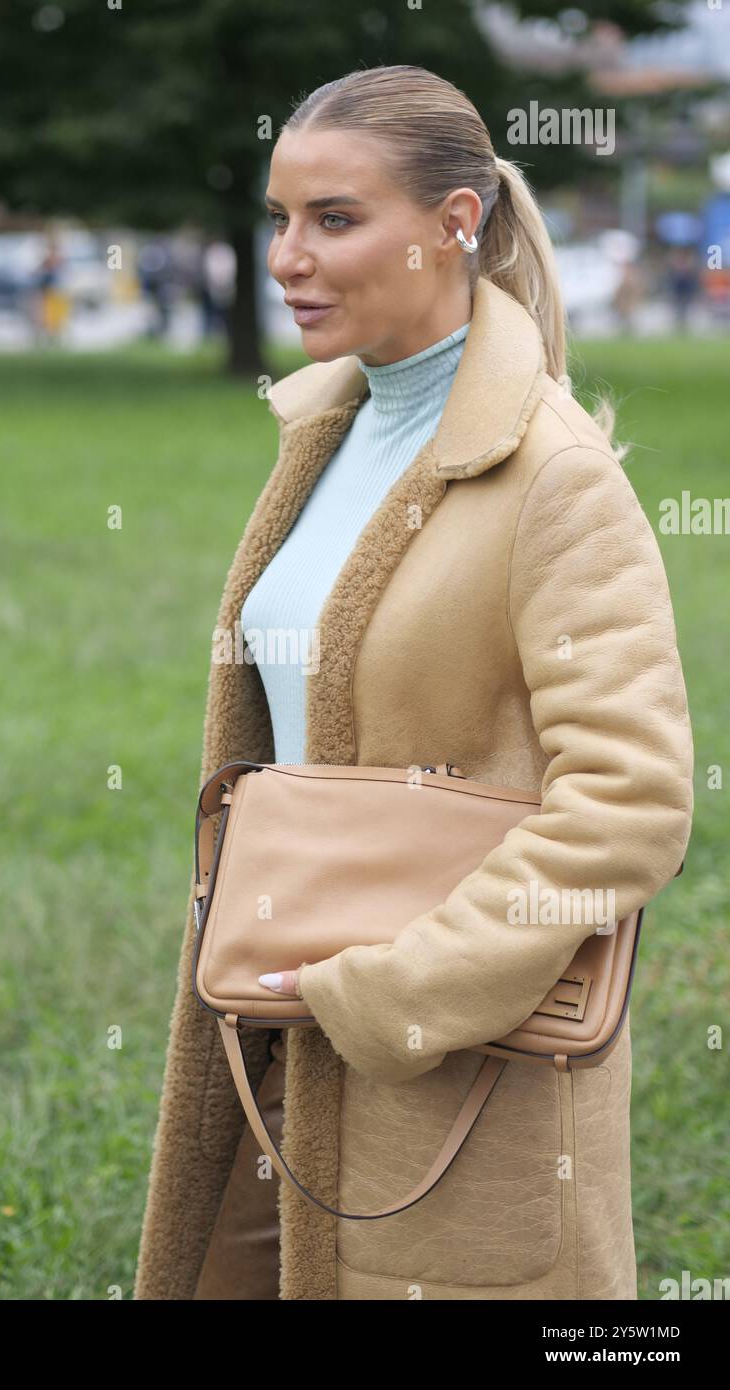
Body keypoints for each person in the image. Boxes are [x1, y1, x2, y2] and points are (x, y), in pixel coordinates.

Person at [134, 64, 694, 1301]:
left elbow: (632, 804)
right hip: (277, 1026)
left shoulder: (552, 475)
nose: (289, 256)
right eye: (280, 219)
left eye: (336, 219)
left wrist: (394, 990)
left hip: (454, 1065)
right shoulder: (324, 430)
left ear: (453, 222)